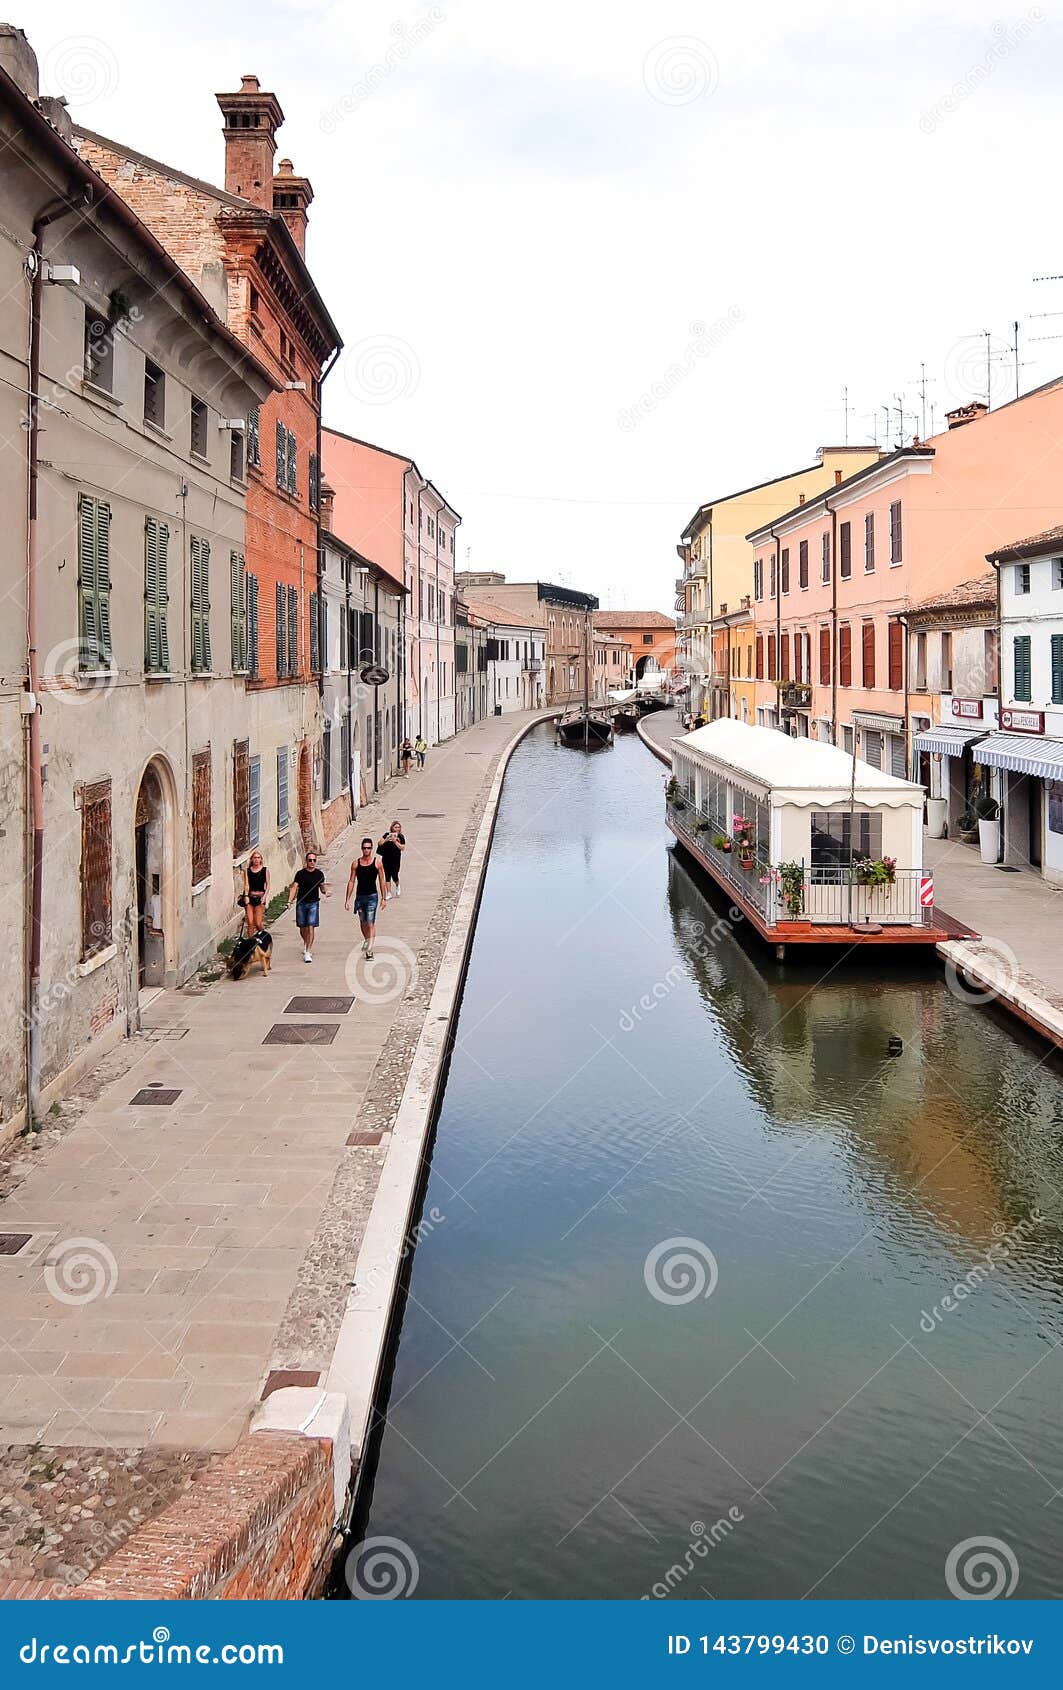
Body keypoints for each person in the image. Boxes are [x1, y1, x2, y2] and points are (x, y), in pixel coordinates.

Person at [346, 837, 388, 960]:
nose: (366, 850)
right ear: (361, 849)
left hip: (372, 896)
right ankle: (367, 939)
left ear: (371, 849)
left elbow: (381, 880)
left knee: (370, 923)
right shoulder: (356, 863)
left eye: (368, 848)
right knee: (363, 922)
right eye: (364, 848)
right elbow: (351, 881)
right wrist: (347, 899)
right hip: (360, 896)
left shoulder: (377, 863)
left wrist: (384, 898)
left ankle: (370, 950)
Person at [287, 850, 328, 963]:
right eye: (310, 860)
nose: (312, 862)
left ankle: (308, 951)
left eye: (314, 860)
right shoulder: (300, 874)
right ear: (306, 861)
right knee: (302, 928)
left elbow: (322, 887)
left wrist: (325, 892)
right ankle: (306, 943)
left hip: (313, 903)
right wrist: (289, 901)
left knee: (310, 926)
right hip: (301, 903)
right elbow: (294, 887)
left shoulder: (319, 874)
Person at [242, 850, 269, 934]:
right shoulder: (247, 871)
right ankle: (251, 944)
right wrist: (246, 896)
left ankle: (263, 936)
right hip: (250, 898)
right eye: (255, 858)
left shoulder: (265, 870)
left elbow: (268, 885)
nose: (256, 860)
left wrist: (264, 898)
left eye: (258, 858)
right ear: (251, 860)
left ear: (261, 859)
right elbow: (246, 885)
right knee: (250, 923)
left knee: (258, 923)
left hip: (260, 898)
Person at [377, 821, 406, 899]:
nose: (397, 829)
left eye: (398, 827)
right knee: (387, 876)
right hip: (386, 858)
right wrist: (387, 839)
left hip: (396, 859)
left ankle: (397, 885)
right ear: (392, 828)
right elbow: (379, 843)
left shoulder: (401, 837)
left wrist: (395, 841)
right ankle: (389, 893)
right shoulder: (386, 834)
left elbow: (402, 848)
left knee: (395, 875)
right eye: (395, 827)